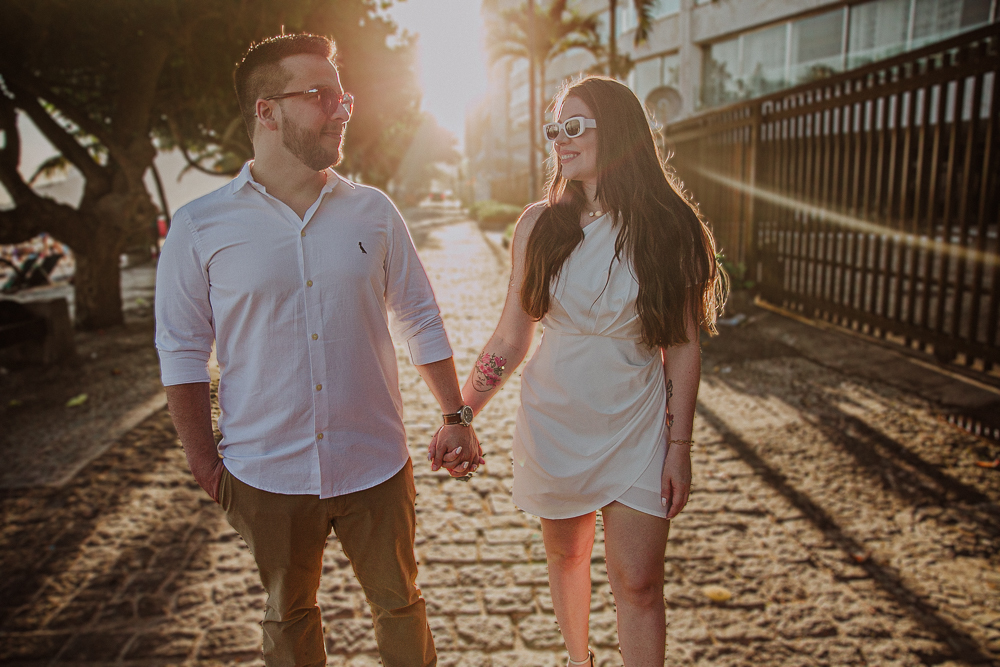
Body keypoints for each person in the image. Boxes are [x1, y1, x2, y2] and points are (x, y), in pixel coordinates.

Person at [155, 34, 482, 667]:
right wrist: (203, 461)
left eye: (343, 97)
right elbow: (183, 350)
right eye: (320, 96)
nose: (341, 110)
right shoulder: (199, 227)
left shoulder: (374, 213)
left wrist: (455, 414)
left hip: (376, 463)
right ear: (266, 110)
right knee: (289, 616)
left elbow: (418, 314)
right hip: (265, 471)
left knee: (400, 604)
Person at [451, 76, 724, 666]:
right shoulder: (538, 225)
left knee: (640, 584)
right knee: (567, 560)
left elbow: (681, 346)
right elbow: (510, 335)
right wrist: (461, 409)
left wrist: (680, 447)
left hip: (638, 422)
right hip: (556, 418)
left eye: (575, 127)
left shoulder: (666, 227)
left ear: (618, 131)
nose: (561, 140)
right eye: (555, 129)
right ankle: (581, 661)